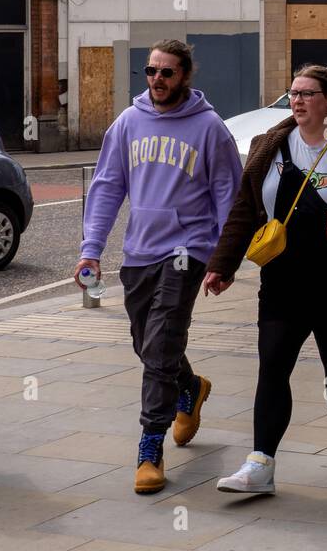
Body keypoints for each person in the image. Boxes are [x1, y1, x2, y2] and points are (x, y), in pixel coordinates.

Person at [203, 63, 327, 492]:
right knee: (273, 363)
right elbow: (243, 209)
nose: (297, 100)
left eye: (308, 93)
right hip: (283, 275)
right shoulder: (269, 146)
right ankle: (261, 464)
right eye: (293, 93)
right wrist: (223, 264)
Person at [75, 39, 243, 493]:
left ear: (185, 76)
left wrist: (224, 261)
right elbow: (108, 187)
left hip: (187, 251)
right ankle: (190, 388)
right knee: (147, 344)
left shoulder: (210, 128)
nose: (157, 80)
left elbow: (230, 195)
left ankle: (150, 446)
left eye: (167, 72)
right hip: (139, 253)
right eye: (151, 71)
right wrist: (92, 248)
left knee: (163, 339)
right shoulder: (128, 123)